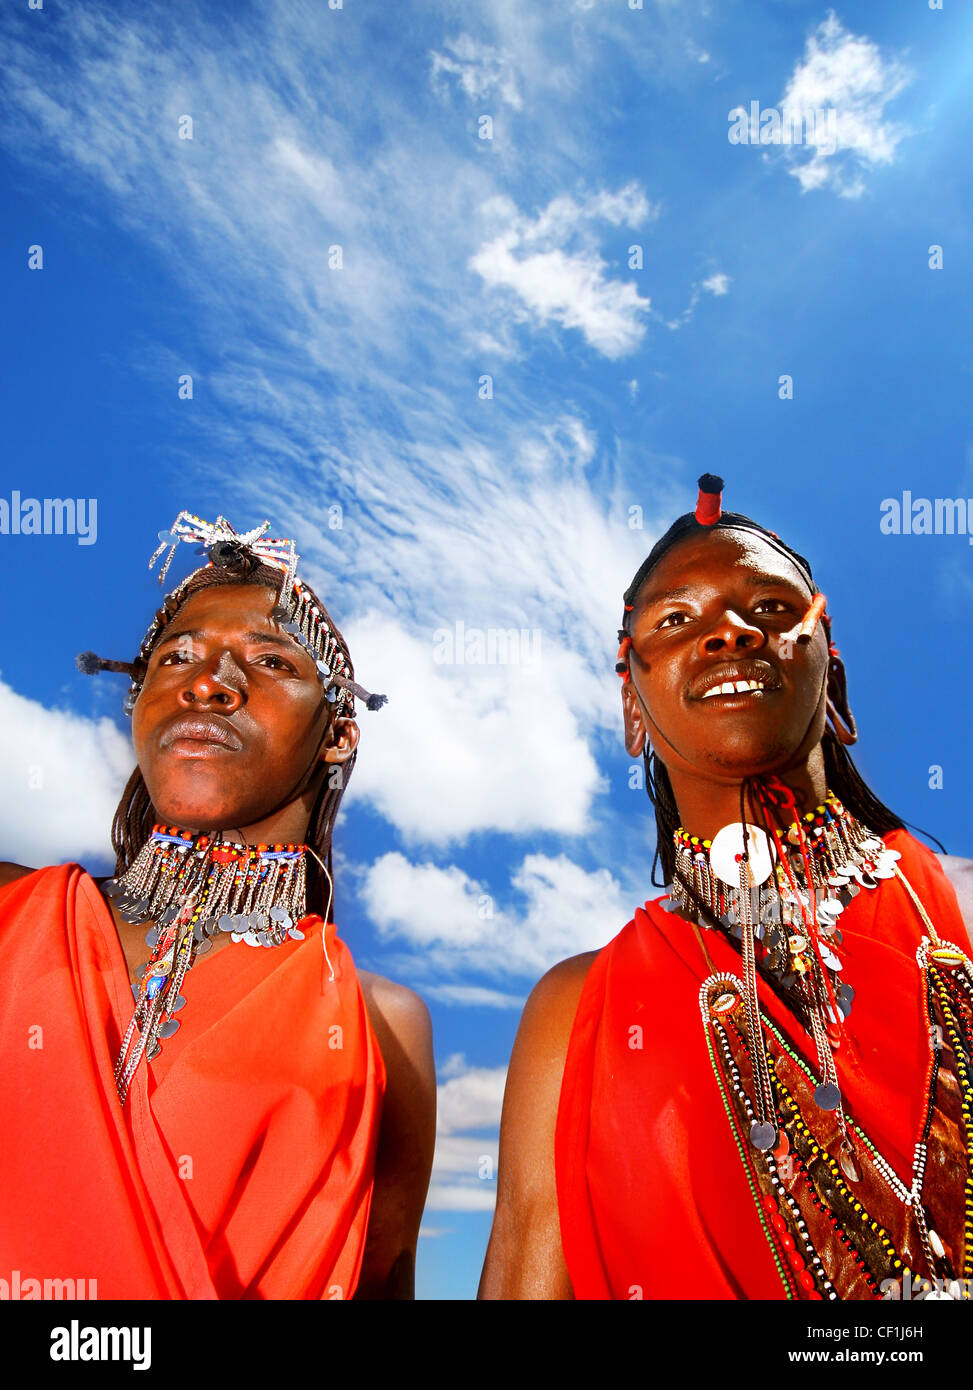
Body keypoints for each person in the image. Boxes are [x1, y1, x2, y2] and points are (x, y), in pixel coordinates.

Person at [480, 475, 973, 1301]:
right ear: (632, 707)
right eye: (676, 621)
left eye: (773, 611)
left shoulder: (959, 910)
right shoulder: (574, 1010)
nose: (729, 634)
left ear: (834, 686)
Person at [0, 512, 436, 1300]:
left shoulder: (381, 1027)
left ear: (338, 734)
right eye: (177, 657)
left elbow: (383, 1279)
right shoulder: (10, 909)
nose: (207, 681)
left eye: (269, 660)